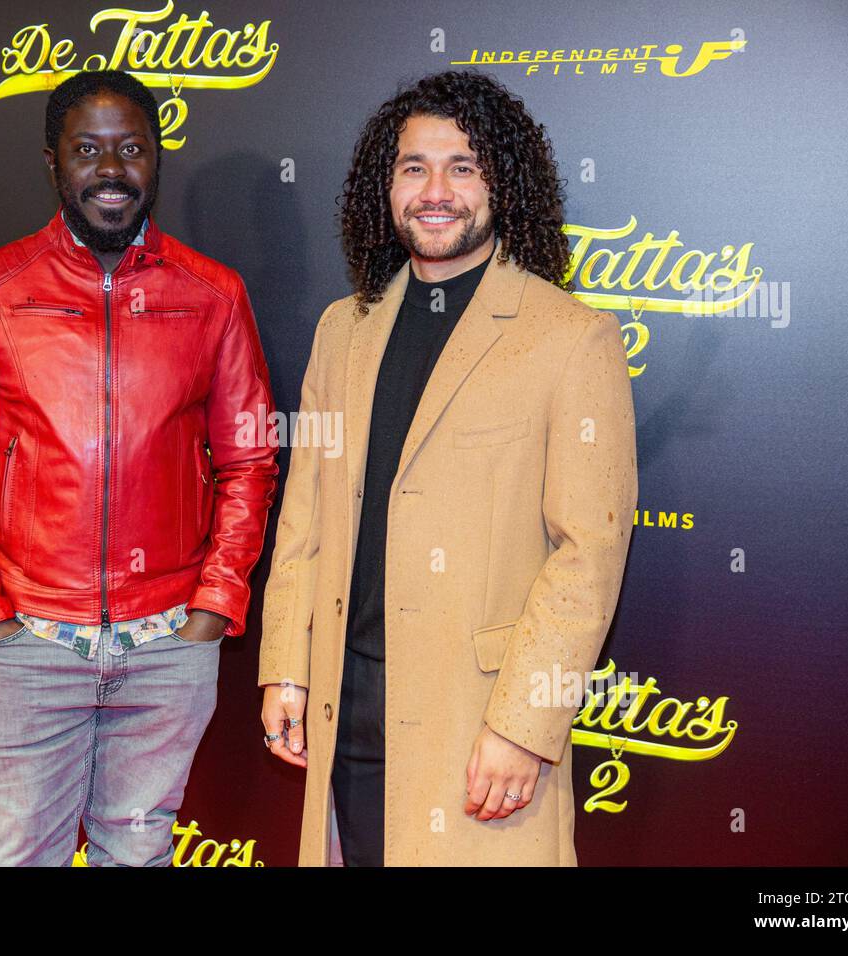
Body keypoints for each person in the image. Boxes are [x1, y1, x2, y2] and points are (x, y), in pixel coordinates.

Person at [258, 70, 638, 866]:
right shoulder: (344, 329)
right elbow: (305, 512)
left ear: (503, 183)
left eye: (463, 166)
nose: (436, 190)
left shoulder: (571, 339)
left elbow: (588, 558)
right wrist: (286, 665)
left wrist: (525, 725)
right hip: (343, 706)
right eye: (414, 167)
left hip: (479, 722)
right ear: (383, 184)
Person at [0, 69, 278, 866]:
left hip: (168, 645)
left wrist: (215, 601)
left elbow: (249, 459)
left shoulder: (213, 295)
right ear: (53, 163)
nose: (112, 171)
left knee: (136, 856)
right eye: (88, 150)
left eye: (131, 149)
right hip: (28, 645)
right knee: (17, 857)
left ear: (157, 159)